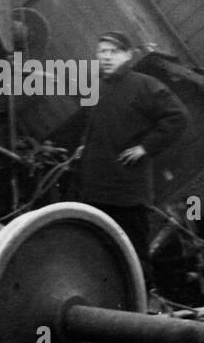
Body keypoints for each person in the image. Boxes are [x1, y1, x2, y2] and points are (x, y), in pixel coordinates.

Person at [52, 31, 189, 295]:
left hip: (128, 190)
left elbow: (178, 117)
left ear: (128, 55)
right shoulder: (97, 87)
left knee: (133, 250)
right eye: (102, 52)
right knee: (94, 247)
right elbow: (96, 125)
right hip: (94, 188)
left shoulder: (145, 86)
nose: (106, 57)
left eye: (113, 52)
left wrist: (145, 147)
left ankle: (140, 303)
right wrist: (85, 145)